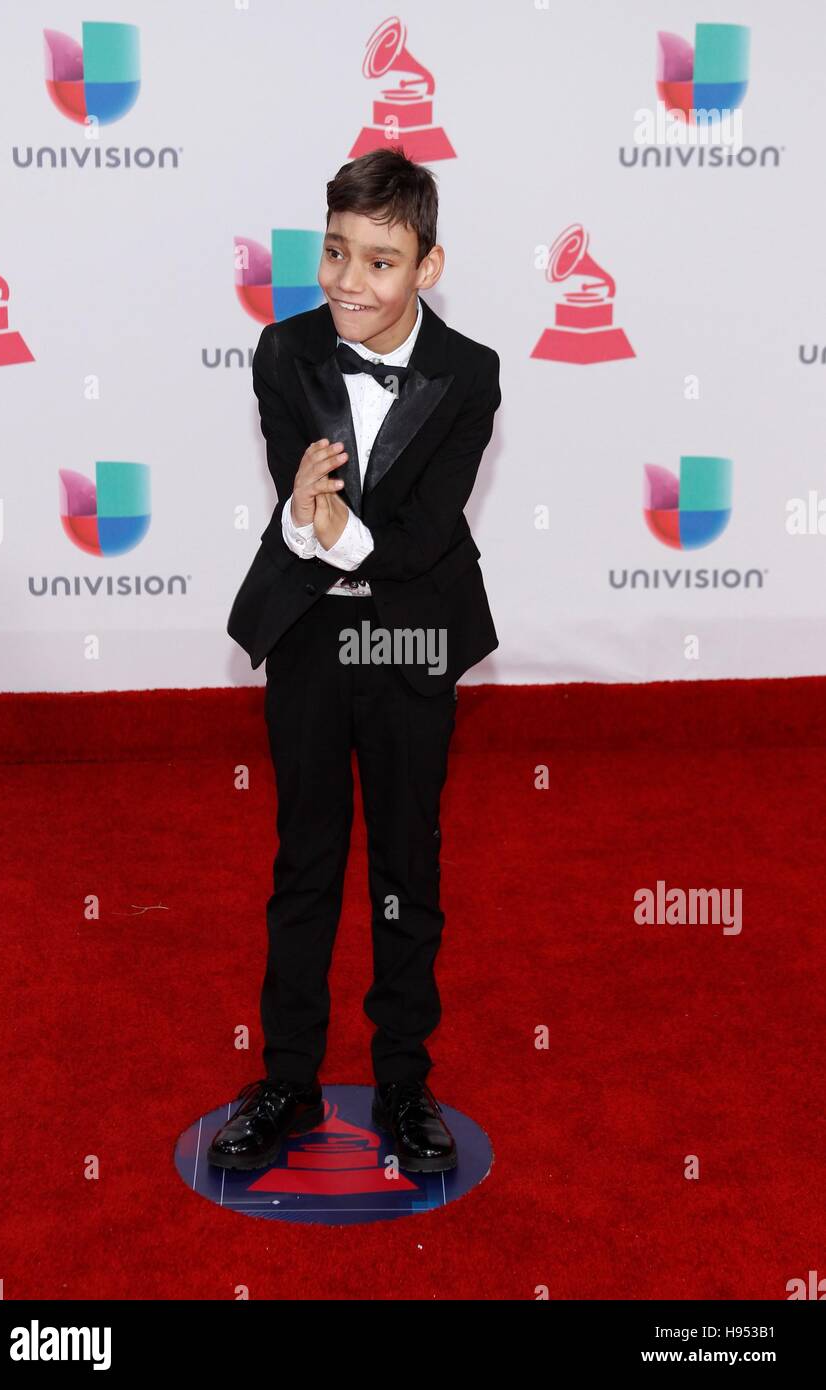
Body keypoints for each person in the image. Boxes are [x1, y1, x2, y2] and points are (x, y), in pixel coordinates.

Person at [212, 147, 501, 1174]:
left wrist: (326, 523)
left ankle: (402, 1081)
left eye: (378, 261)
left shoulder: (469, 373)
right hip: (309, 630)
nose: (346, 280)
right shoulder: (281, 350)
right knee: (304, 858)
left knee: (404, 862)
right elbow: (306, 510)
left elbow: (422, 537)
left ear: (425, 266)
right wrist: (302, 517)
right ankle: (287, 1078)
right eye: (334, 251)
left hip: (411, 629)